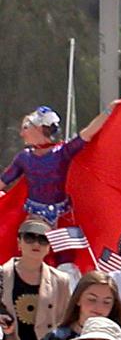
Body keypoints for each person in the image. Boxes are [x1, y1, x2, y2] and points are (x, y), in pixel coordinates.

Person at [5, 107, 89, 259]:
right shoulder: (24, 157)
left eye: (25, 128)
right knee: (31, 258)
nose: (22, 133)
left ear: (38, 128)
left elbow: (87, 134)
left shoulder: (63, 152)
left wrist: (109, 112)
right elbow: (4, 180)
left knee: (67, 263)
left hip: (63, 219)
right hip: (34, 218)